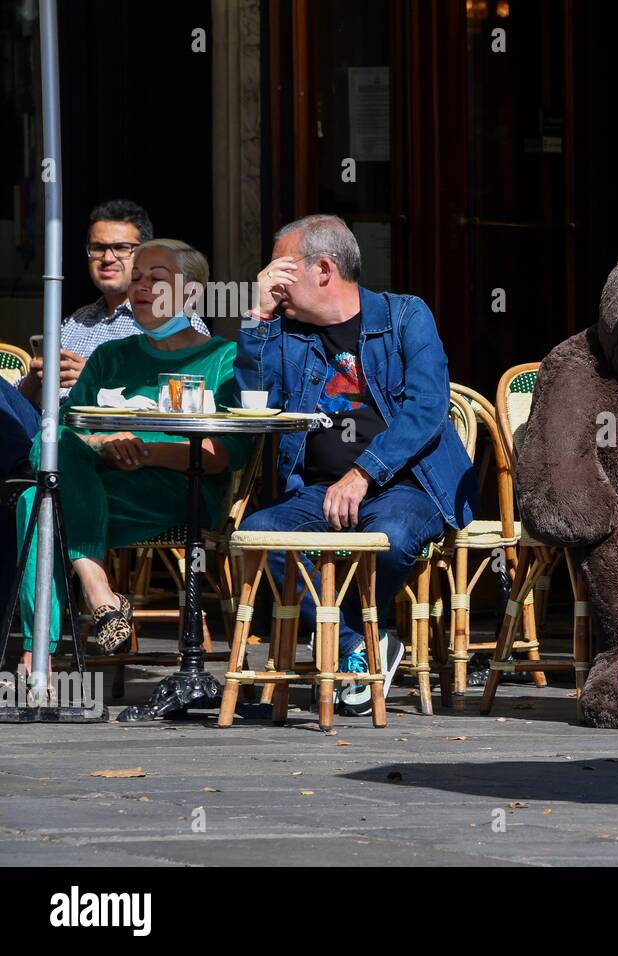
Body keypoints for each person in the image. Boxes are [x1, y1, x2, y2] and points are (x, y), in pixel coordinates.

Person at [237, 214, 477, 715]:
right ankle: (356, 645)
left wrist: (363, 471)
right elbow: (253, 401)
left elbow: (426, 408)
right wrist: (256, 319)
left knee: (388, 539)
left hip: (409, 483)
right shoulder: (285, 333)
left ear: (323, 269)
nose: (272, 282)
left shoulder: (405, 316)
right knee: (261, 535)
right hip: (317, 488)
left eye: (281, 271)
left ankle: (346, 640)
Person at [13, 240, 248, 673]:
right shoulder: (109, 356)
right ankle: (96, 593)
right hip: (102, 488)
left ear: (192, 295)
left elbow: (224, 455)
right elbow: (70, 431)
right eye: (136, 277)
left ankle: (40, 650)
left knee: (40, 504)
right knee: (43, 474)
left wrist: (146, 452)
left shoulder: (224, 358)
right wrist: (104, 443)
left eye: (155, 279)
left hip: (181, 491)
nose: (140, 286)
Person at [15, 200, 209, 410]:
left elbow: (183, 399)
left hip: (108, 433)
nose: (108, 258)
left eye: (121, 248)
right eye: (98, 248)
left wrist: (96, 377)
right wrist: (35, 378)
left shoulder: (173, 320)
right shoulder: (77, 320)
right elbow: (17, 401)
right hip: (43, 427)